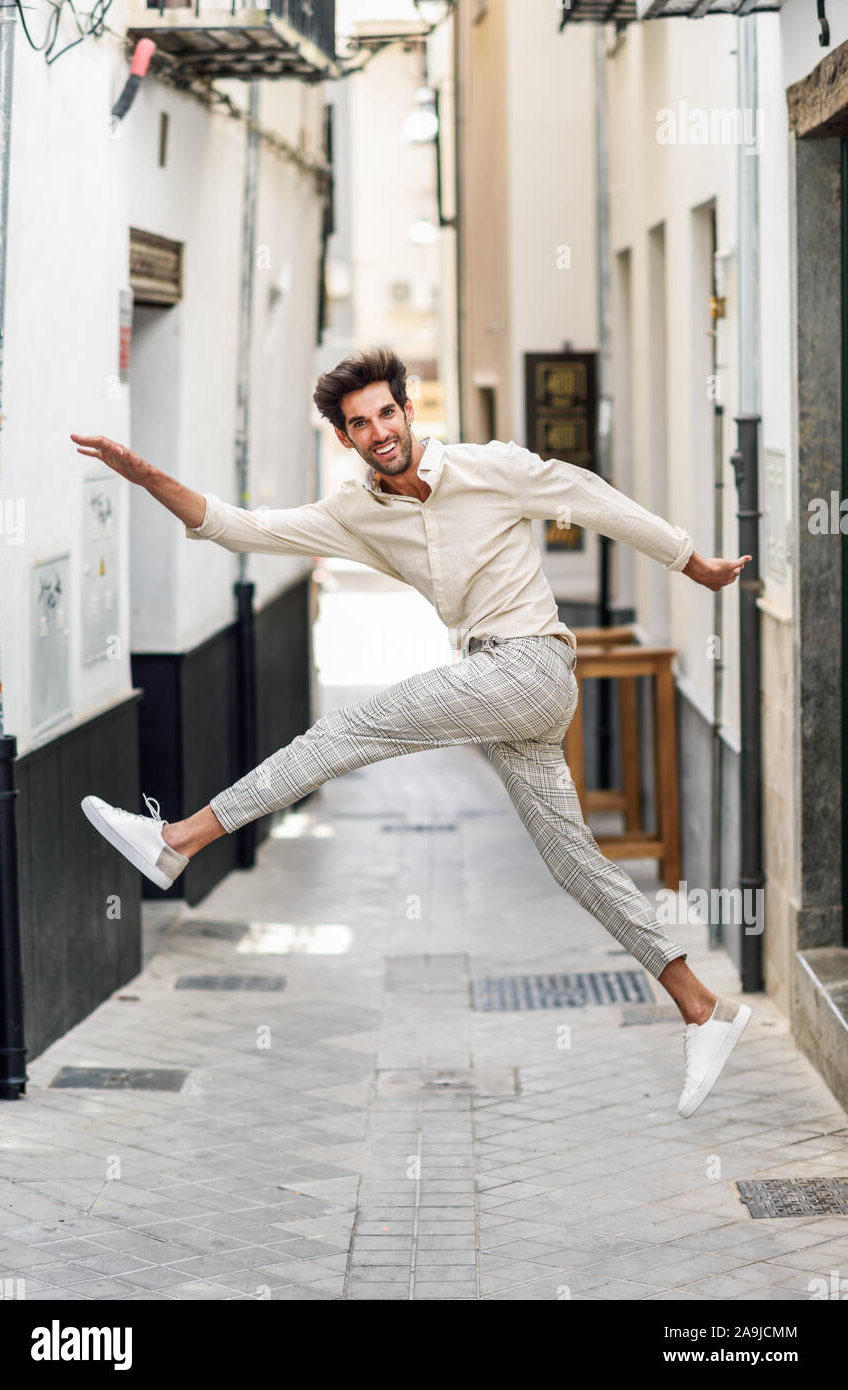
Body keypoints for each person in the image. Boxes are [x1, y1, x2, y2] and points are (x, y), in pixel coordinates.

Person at [72, 346, 753, 1119]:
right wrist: (146, 477)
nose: (378, 431)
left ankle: (178, 841)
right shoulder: (353, 512)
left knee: (346, 732)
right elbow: (237, 527)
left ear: (406, 408)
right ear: (346, 437)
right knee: (573, 862)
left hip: (530, 666)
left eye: (386, 413)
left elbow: (584, 493)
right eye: (359, 423)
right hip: (496, 687)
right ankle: (703, 1009)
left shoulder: (486, 467)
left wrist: (687, 560)